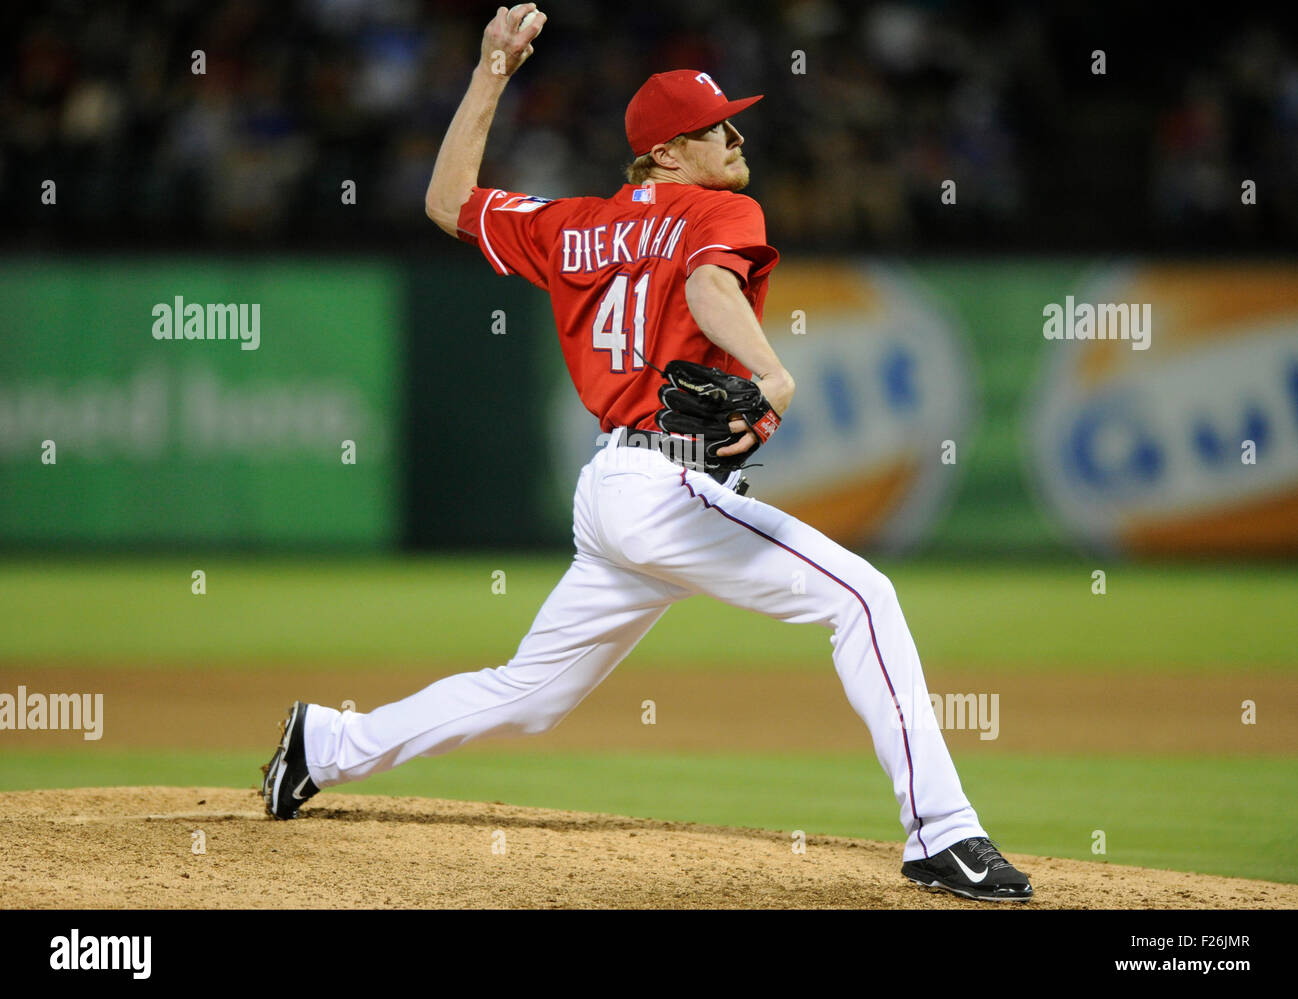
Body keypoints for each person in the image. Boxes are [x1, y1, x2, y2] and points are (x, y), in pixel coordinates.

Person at [262, 3, 1032, 903]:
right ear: (667, 153)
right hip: (663, 487)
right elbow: (708, 283)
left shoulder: (571, 225)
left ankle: (324, 744)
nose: (735, 132)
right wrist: (773, 373)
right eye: (713, 126)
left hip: (614, 489)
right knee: (864, 596)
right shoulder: (720, 209)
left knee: (532, 692)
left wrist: (489, 73)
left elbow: (445, 203)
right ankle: (942, 835)